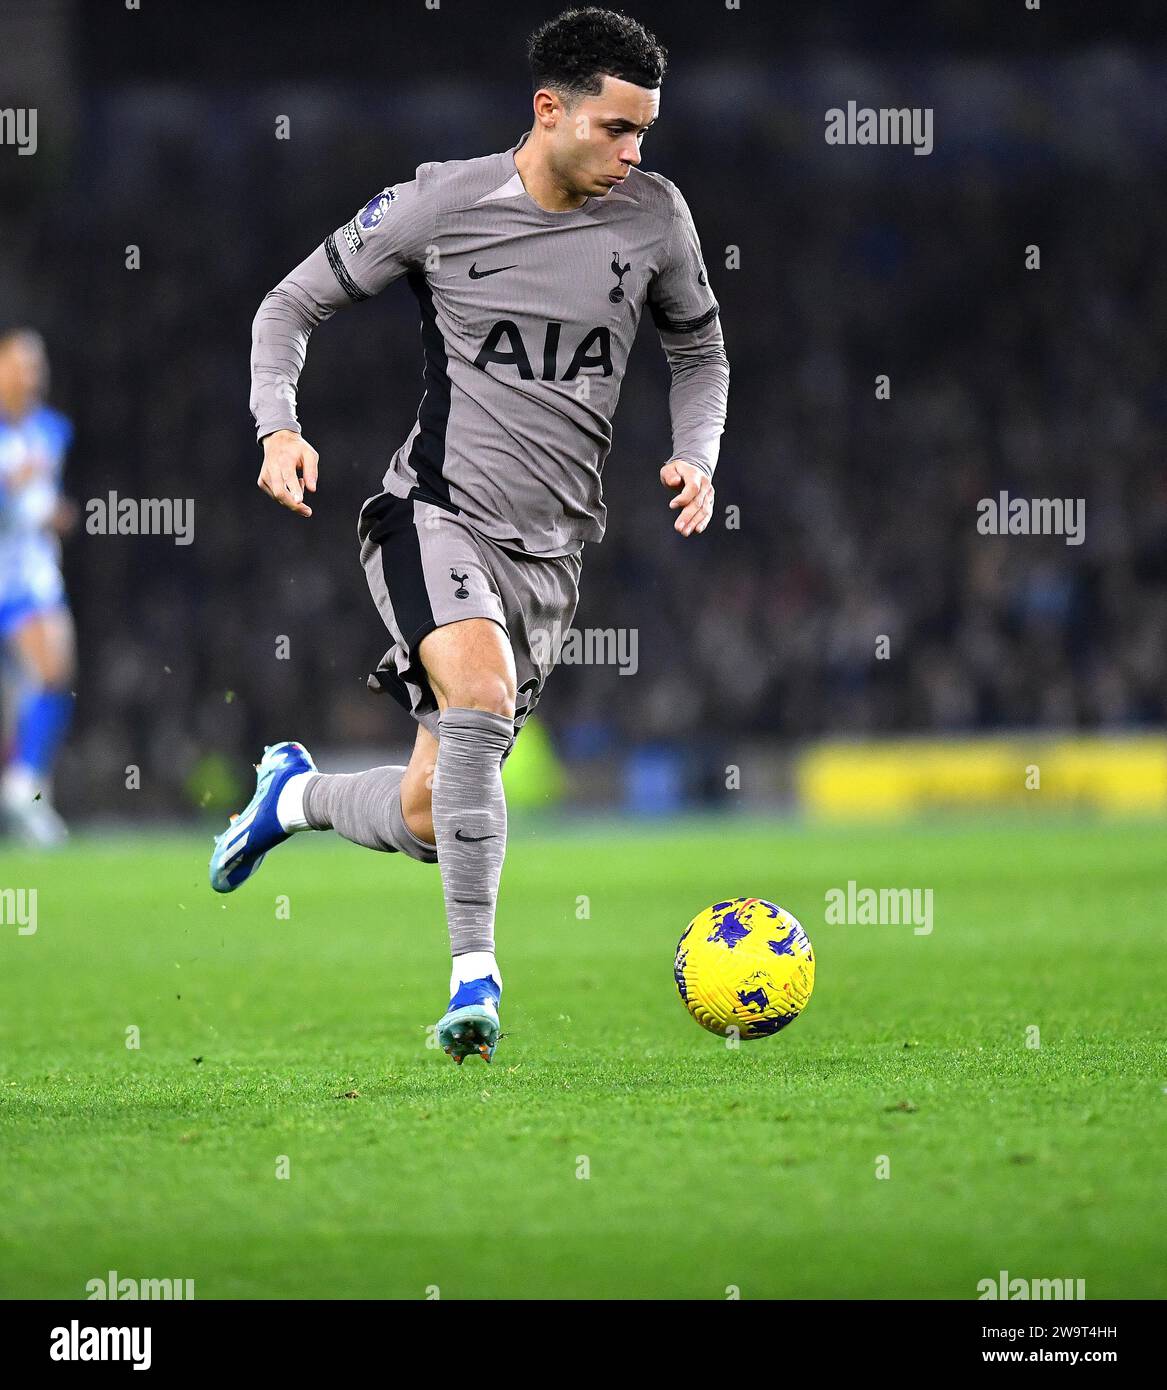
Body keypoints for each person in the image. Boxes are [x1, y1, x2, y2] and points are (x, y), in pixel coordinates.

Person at [212, 7, 729, 1064]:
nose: (635, 155)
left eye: (646, 135)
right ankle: (474, 982)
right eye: (617, 130)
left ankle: (293, 796)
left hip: (553, 558)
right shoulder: (441, 203)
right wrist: (278, 425)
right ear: (550, 111)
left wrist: (699, 453)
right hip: (429, 515)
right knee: (481, 702)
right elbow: (287, 306)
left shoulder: (655, 221)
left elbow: (701, 352)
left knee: (428, 814)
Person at [0, 328, 77, 847]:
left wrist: (55, 514)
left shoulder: (52, 430)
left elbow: (42, 501)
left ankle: (24, 787)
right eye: (21, 363)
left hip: (32, 576)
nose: (33, 372)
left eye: (37, 363)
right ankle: (22, 788)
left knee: (54, 673)